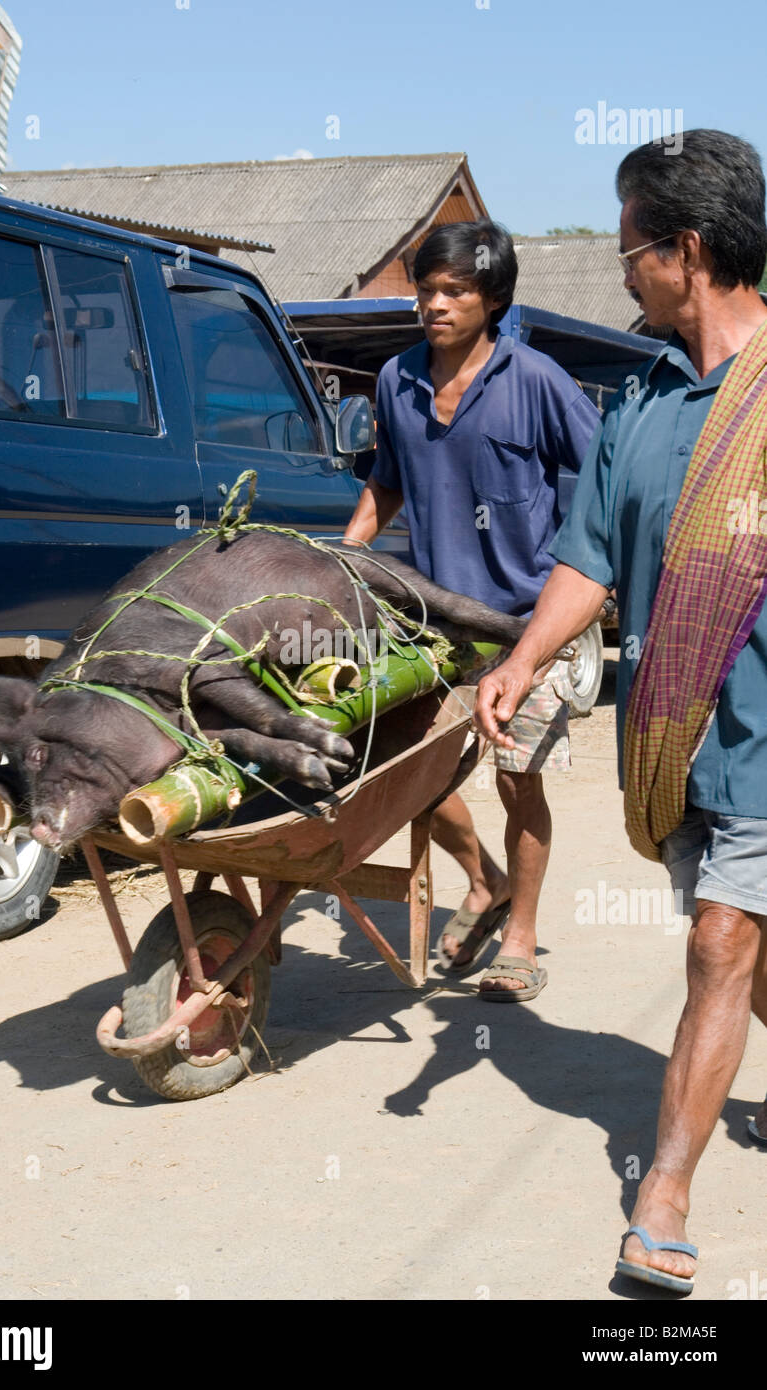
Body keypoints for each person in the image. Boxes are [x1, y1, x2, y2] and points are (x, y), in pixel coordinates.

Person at [474, 129, 767, 1294]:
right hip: (670, 735)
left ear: (685, 251)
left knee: (718, 942)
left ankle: (663, 1191)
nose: (620, 269)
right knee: (736, 940)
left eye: (629, 248)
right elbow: (588, 559)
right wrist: (518, 659)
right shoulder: (638, 398)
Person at [342, 221, 600, 996]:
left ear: (492, 298)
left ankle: (520, 934)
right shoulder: (396, 378)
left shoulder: (537, 380)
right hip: (436, 619)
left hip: (526, 624)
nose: (435, 304)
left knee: (520, 780)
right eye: (426, 290)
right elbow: (387, 477)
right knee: (413, 770)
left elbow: (604, 478)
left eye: (454, 291)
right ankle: (483, 879)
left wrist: (582, 578)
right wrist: (344, 552)